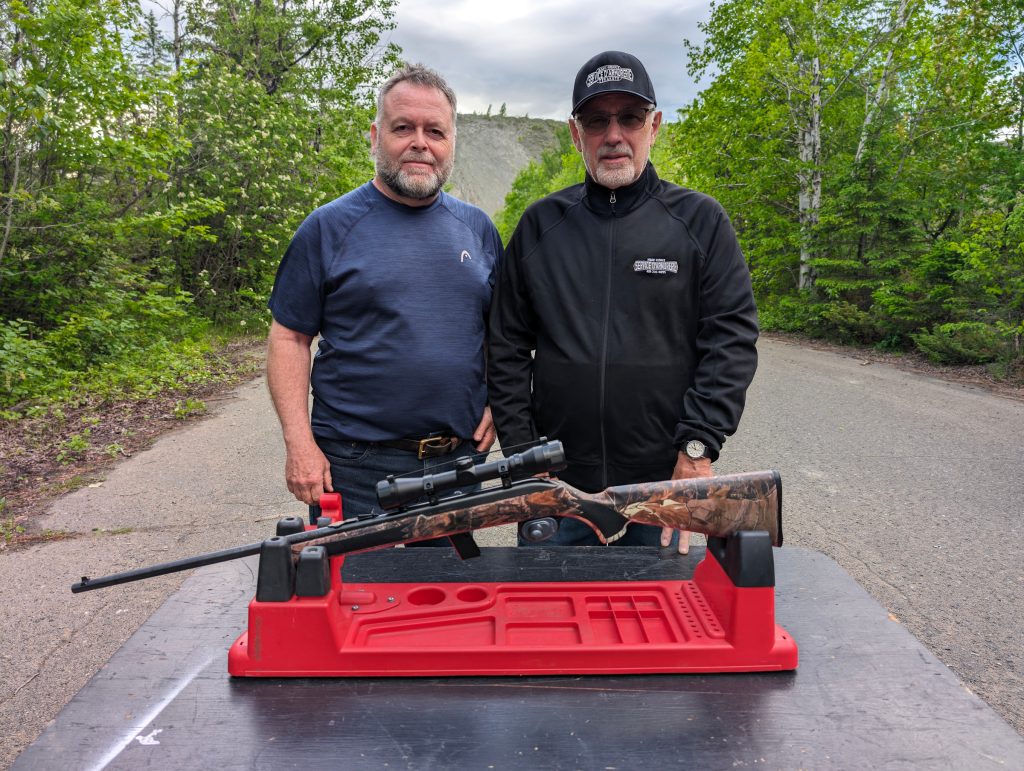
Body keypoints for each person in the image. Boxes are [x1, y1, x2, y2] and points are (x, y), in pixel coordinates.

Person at [487, 51, 759, 553]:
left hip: (660, 491)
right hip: (558, 492)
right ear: (576, 133)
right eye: (597, 120)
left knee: (655, 628)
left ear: (654, 126)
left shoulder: (700, 223)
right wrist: (525, 455)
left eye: (629, 117)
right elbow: (504, 347)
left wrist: (697, 448)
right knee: (546, 625)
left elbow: (731, 341)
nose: (614, 134)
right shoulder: (539, 227)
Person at [267, 64, 502, 529]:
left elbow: (501, 332)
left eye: (435, 130)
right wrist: (299, 442)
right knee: (357, 598)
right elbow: (288, 338)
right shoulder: (328, 227)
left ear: (451, 142)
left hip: (458, 464)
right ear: (376, 136)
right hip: (353, 469)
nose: (420, 142)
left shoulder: (479, 229)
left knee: (453, 598)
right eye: (403, 128)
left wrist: (499, 400)